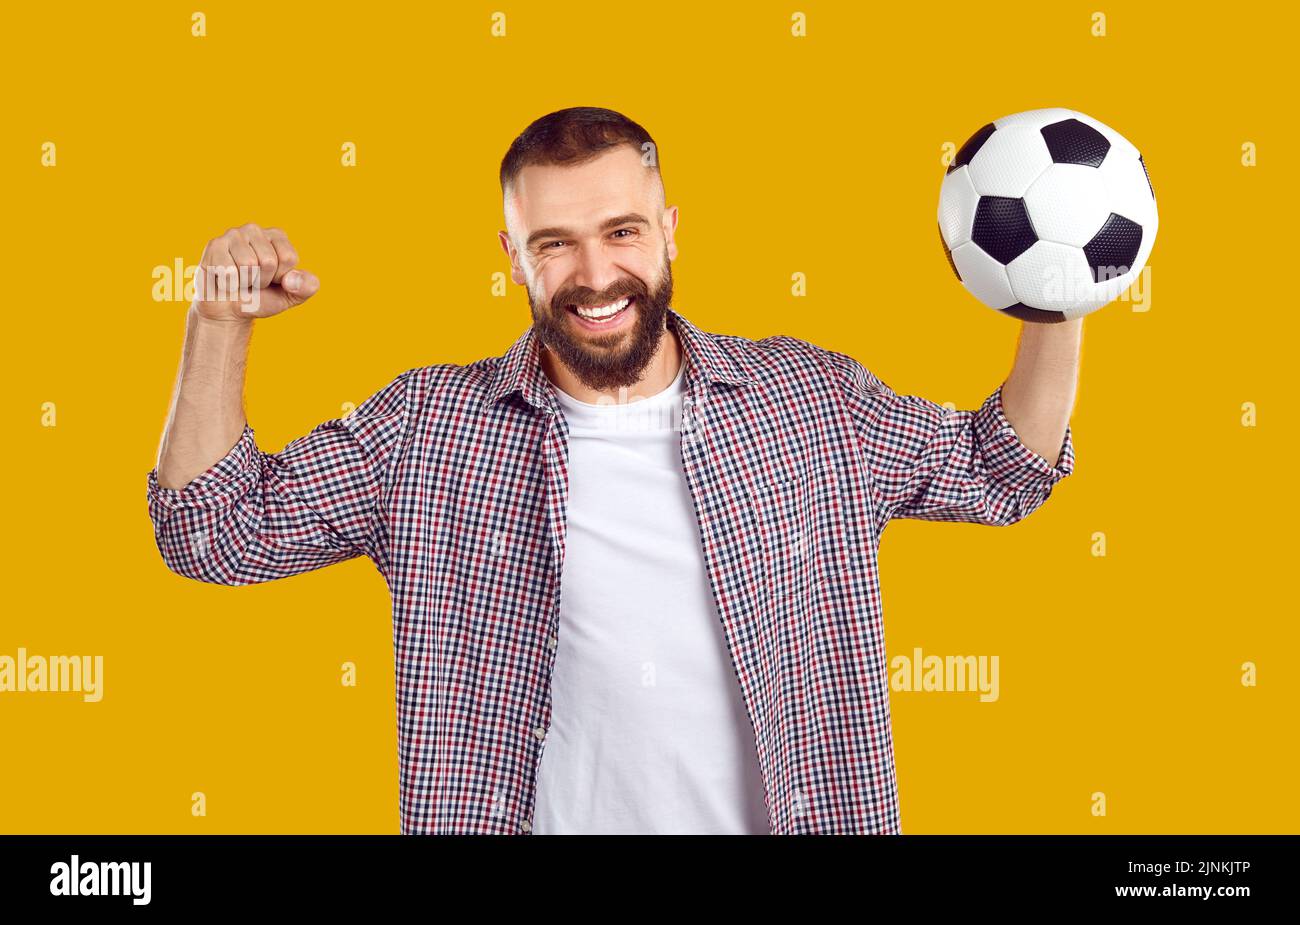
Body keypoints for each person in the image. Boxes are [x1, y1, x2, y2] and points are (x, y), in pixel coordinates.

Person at [147, 106, 1079, 835]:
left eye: (623, 231)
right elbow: (212, 535)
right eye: (555, 243)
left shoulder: (808, 400)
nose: (596, 273)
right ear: (511, 257)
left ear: (671, 231)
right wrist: (217, 325)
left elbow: (1001, 469)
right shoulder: (424, 429)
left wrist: (1063, 289)